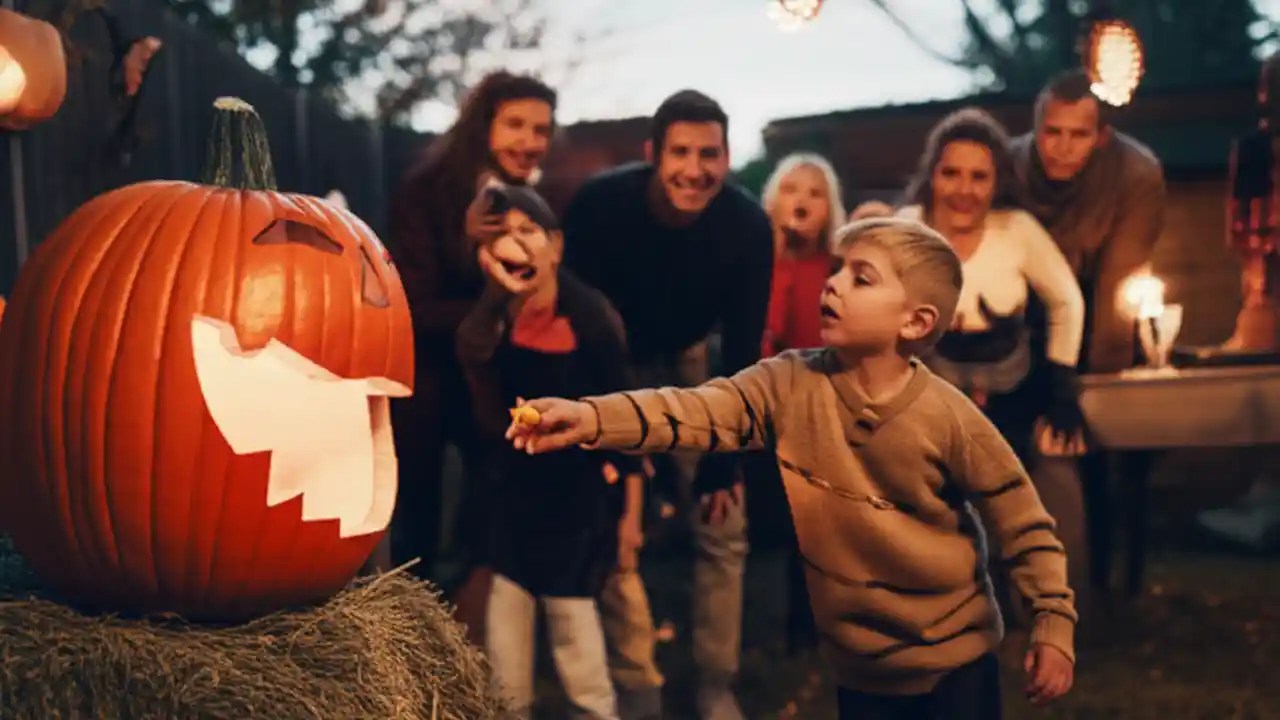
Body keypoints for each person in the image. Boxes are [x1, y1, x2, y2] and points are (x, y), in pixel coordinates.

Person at [508, 217, 1078, 720]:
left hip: (954, 665)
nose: (832, 284)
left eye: (862, 278)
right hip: (860, 670)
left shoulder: (950, 419)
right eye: (837, 270)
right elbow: (692, 409)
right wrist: (589, 418)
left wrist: (1052, 624)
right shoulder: (787, 383)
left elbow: (1023, 524)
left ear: (915, 321)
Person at [561, 89, 773, 720]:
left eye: (710, 153)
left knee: (722, 520)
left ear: (728, 156)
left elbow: (741, 344)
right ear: (654, 153)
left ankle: (716, 679)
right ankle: (625, 674)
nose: (695, 168)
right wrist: (616, 440)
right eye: (681, 151)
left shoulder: (746, 226)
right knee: (610, 511)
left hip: (692, 363)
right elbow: (580, 318)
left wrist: (721, 452)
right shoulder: (602, 204)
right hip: (609, 359)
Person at [455, 185, 643, 720]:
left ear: (555, 246)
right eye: (504, 235)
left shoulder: (590, 322)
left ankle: (597, 709)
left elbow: (626, 419)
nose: (517, 244)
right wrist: (494, 297)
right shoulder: (493, 317)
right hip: (512, 499)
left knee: (573, 628)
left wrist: (630, 514)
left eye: (528, 230)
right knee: (506, 639)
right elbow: (475, 367)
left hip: (576, 503)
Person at [386, 71, 556, 641]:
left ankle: (474, 630)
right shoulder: (429, 189)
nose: (530, 141)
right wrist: (499, 308)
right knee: (419, 517)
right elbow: (412, 305)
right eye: (516, 125)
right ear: (483, 125)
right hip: (428, 377)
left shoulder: (533, 199)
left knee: (497, 502)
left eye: (541, 129)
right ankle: (408, 639)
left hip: (493, 380)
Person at [1010, 70, 1166, 598]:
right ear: (1035, 129)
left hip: (1103, 312)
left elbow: (1119, 282)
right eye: (1051, 132)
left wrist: (1081, 387)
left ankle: (1104, 578)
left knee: (1096, 447)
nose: (1062, 147)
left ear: (1100, 136)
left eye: (1078, 134)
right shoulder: (1007, 168)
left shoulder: (1135, 174)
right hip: (1020, 322)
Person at [897, 107, 1085, 464]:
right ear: (931, 176)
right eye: (951, 173)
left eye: (979, 176)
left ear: (997, 183)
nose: (964, 190)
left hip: (1009, 410)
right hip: (921, 412)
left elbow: (1067, 301)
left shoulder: (1017, 228)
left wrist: (1063, 381)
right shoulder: (906, 228)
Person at [758, 153, 846, 656]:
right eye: (793, 189)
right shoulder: (762, 261)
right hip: (776, 401)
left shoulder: (838, 265)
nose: (803, 201)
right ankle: (790, 627)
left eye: (815, 192)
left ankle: (822, 621)